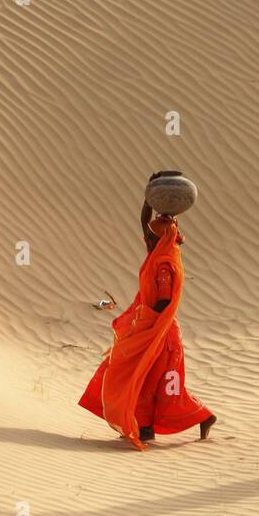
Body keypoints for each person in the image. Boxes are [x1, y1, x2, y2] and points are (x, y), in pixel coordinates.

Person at [79, 171, 216, 448]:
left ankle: (146, 428)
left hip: (159, 333)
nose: (147, 239)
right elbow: (145, 225)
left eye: (151, 237)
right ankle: (177, 421)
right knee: (144, 380)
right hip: (152, 329)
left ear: (160, 239)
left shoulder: (164, 263)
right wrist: (148, 196)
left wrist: (141, 320)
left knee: (146, 381)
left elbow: (163, 301)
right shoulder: (160, 249)